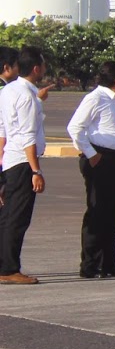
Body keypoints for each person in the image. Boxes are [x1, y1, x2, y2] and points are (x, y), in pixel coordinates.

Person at [68, 61, 115, 279]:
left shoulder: (114, 99)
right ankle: (90, 265)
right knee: (98, 213)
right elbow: (74, 127)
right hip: (101, 159)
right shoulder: (95, 98)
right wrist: (90, 153)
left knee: (114, 213)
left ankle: (108, 262)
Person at [0, 47, 48, 284]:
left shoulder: (9, 90)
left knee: (7, 216)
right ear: (36, 69)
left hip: (10, 159)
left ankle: (5, 265)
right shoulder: (27, 96)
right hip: (22, 162)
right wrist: (36, 171)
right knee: (17, 218)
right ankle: (9, 269)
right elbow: (28, 135)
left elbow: (3, 128)